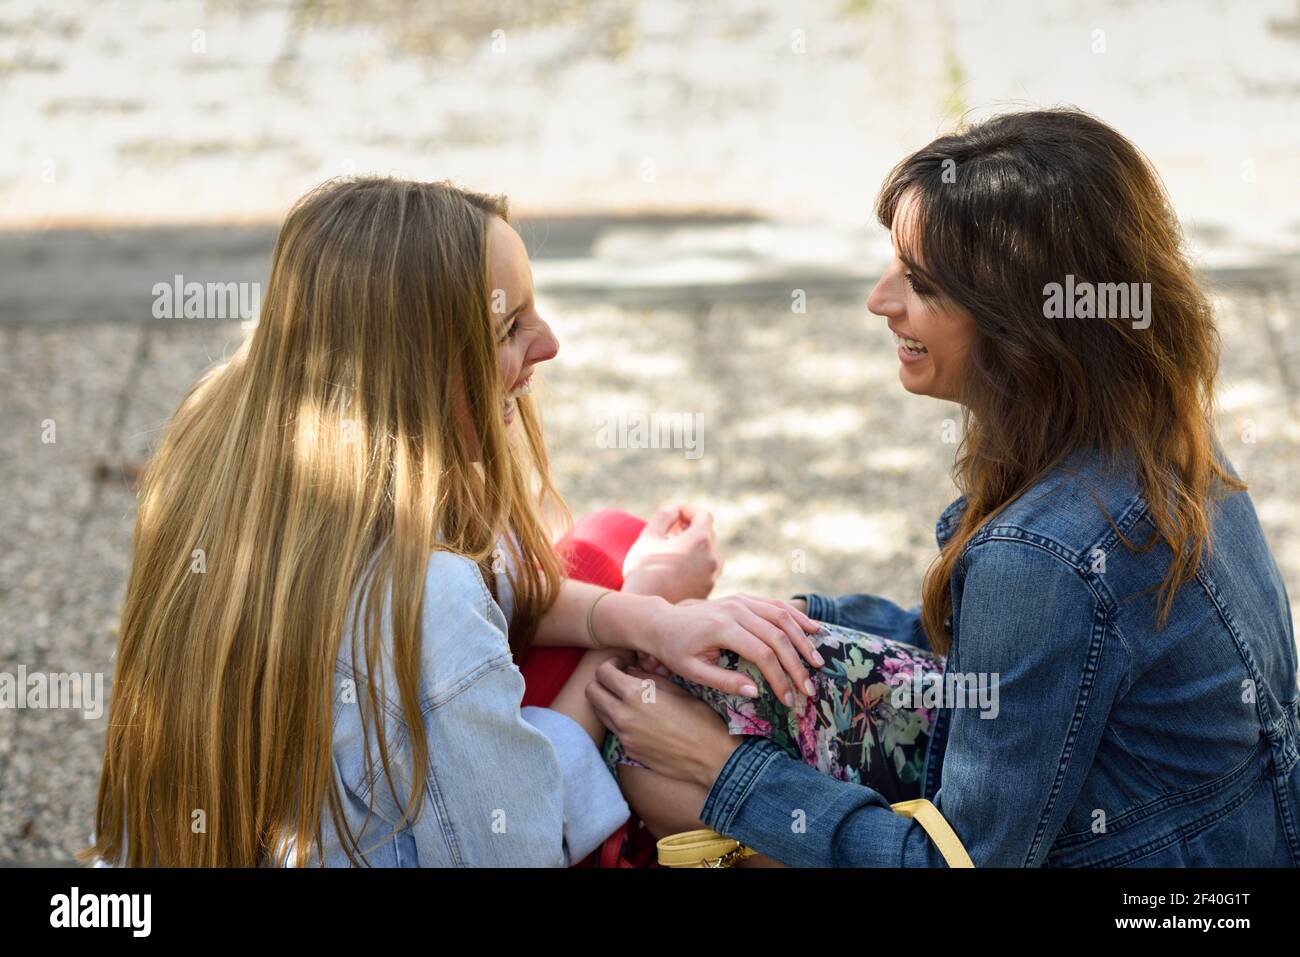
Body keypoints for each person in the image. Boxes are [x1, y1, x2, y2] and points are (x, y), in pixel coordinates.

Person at [590, 108, 1300, 867]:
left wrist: (721, 771)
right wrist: (794, 618)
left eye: (920, 282)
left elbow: (957, 862)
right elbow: (1023, 659)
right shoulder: (1155, 433)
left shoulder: (1047, 551)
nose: (879, 300)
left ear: (1022, 326)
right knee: (710, 685)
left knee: (654, 757)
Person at [82, 177, 822, 867]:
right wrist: (626, 646)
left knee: (609, 542)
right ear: (414, 371)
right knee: (619, 576)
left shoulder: (235, 441)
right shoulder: (423, 601)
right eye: (508, 326)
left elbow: (502, 577)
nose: (549, 344)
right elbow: (520, 846)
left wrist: (647, 614)